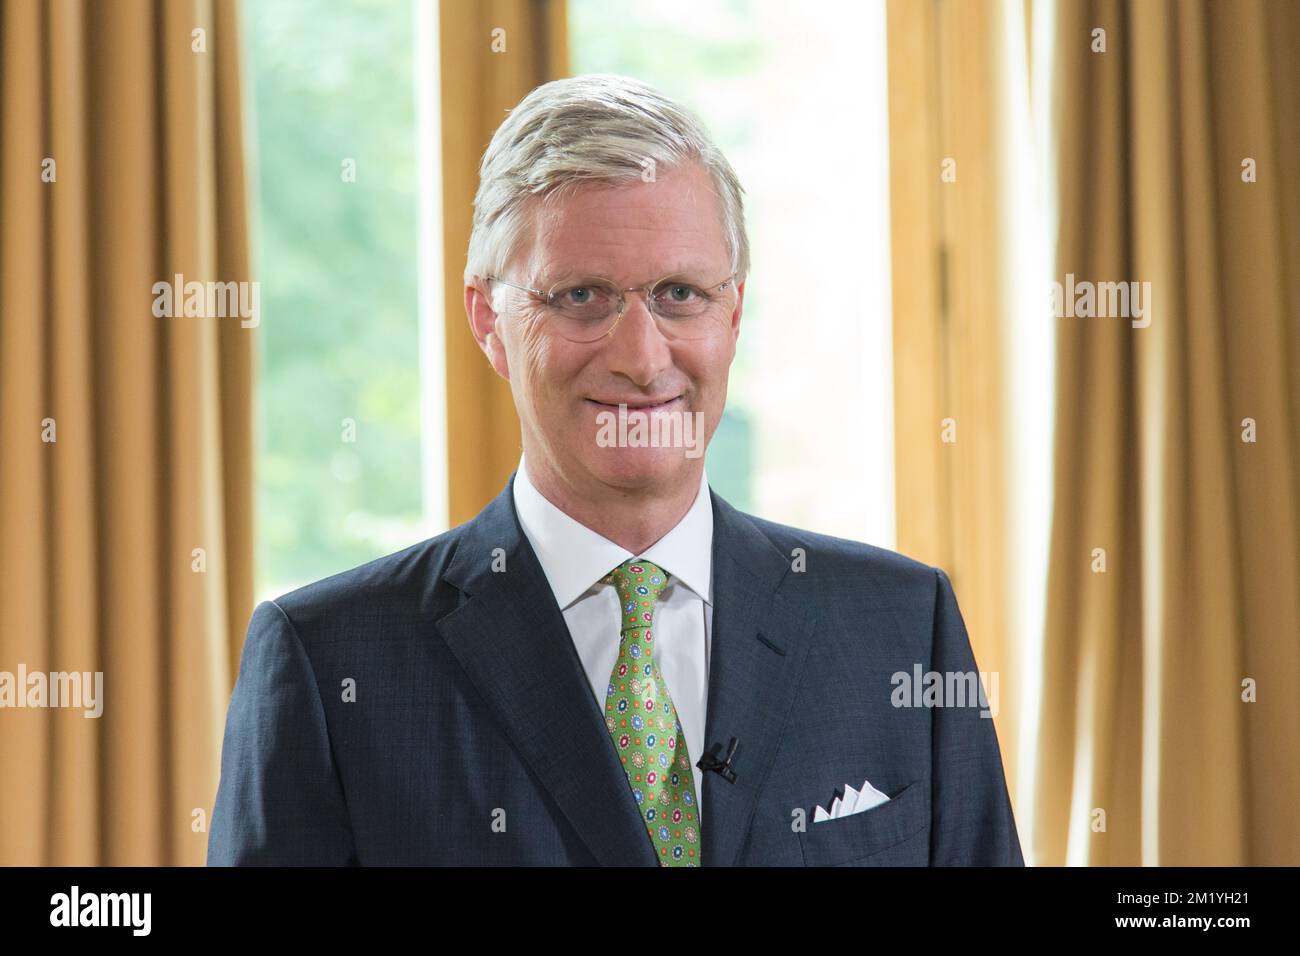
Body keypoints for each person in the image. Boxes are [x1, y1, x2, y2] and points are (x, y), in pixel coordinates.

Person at [208, 73, 1023, 867]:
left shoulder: (901, 627)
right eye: (581, 297)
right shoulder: (330, 663)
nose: (641, 357)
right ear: (489, 319)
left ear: (733, 313)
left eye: (679, 293)